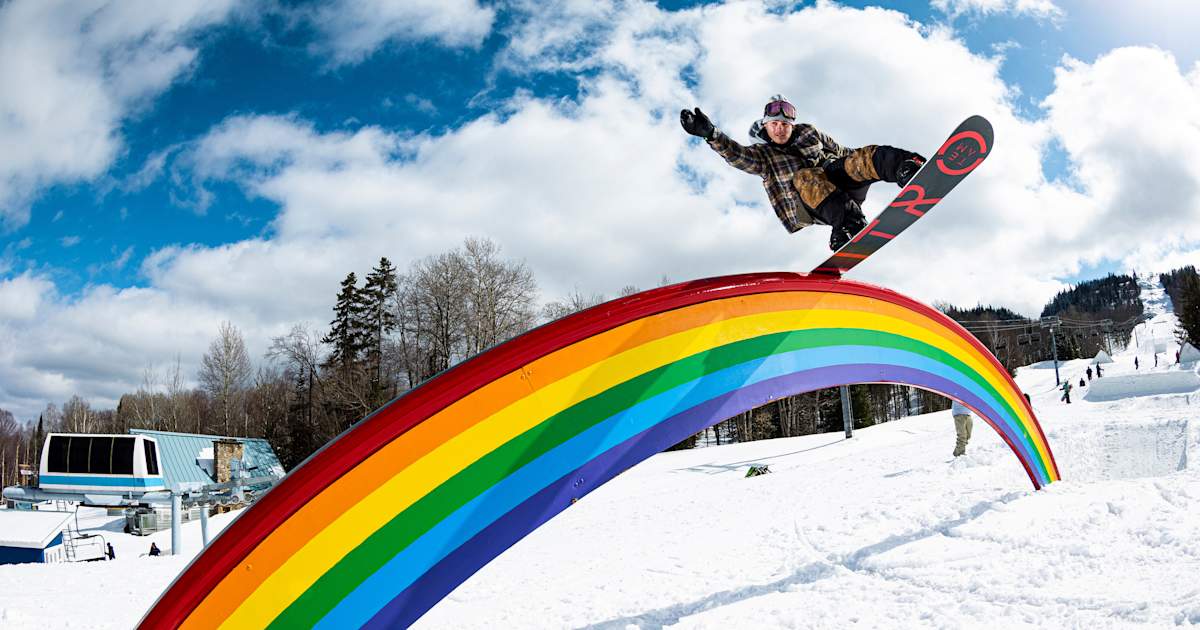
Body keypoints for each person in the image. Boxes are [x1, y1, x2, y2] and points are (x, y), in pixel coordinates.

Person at [680, 95, 926, 250]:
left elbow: (845, 152)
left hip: (839, 183)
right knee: (806, 176)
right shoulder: (762, 155)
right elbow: (738, 156)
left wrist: (875, 162)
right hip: (812, 204)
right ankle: (849, 225)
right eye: (774, 124)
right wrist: (712, 135)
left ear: (792, 124)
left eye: (785, 124)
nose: (780, 129)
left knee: (859, 157)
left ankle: (907, 167)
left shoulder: (809, 132)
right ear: (765, 125)